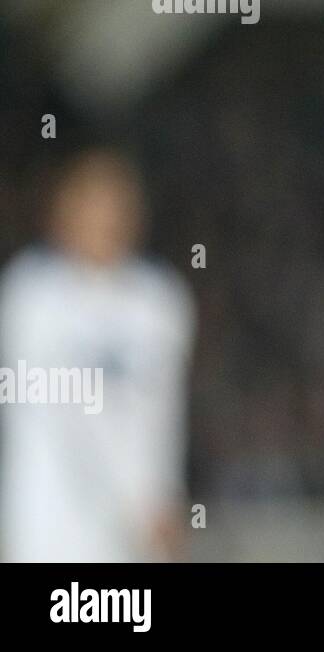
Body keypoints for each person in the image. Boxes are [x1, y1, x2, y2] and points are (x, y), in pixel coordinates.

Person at [0, 147, 196, 561]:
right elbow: (60, 410)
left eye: (117, 203)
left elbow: (163, 413)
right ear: (63, 209)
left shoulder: (159, 301)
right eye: (92, 201)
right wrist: (135, 497)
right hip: (48, 528)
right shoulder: (31, 296)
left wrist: (162, 494)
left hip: (136, 537)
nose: (106, 217)